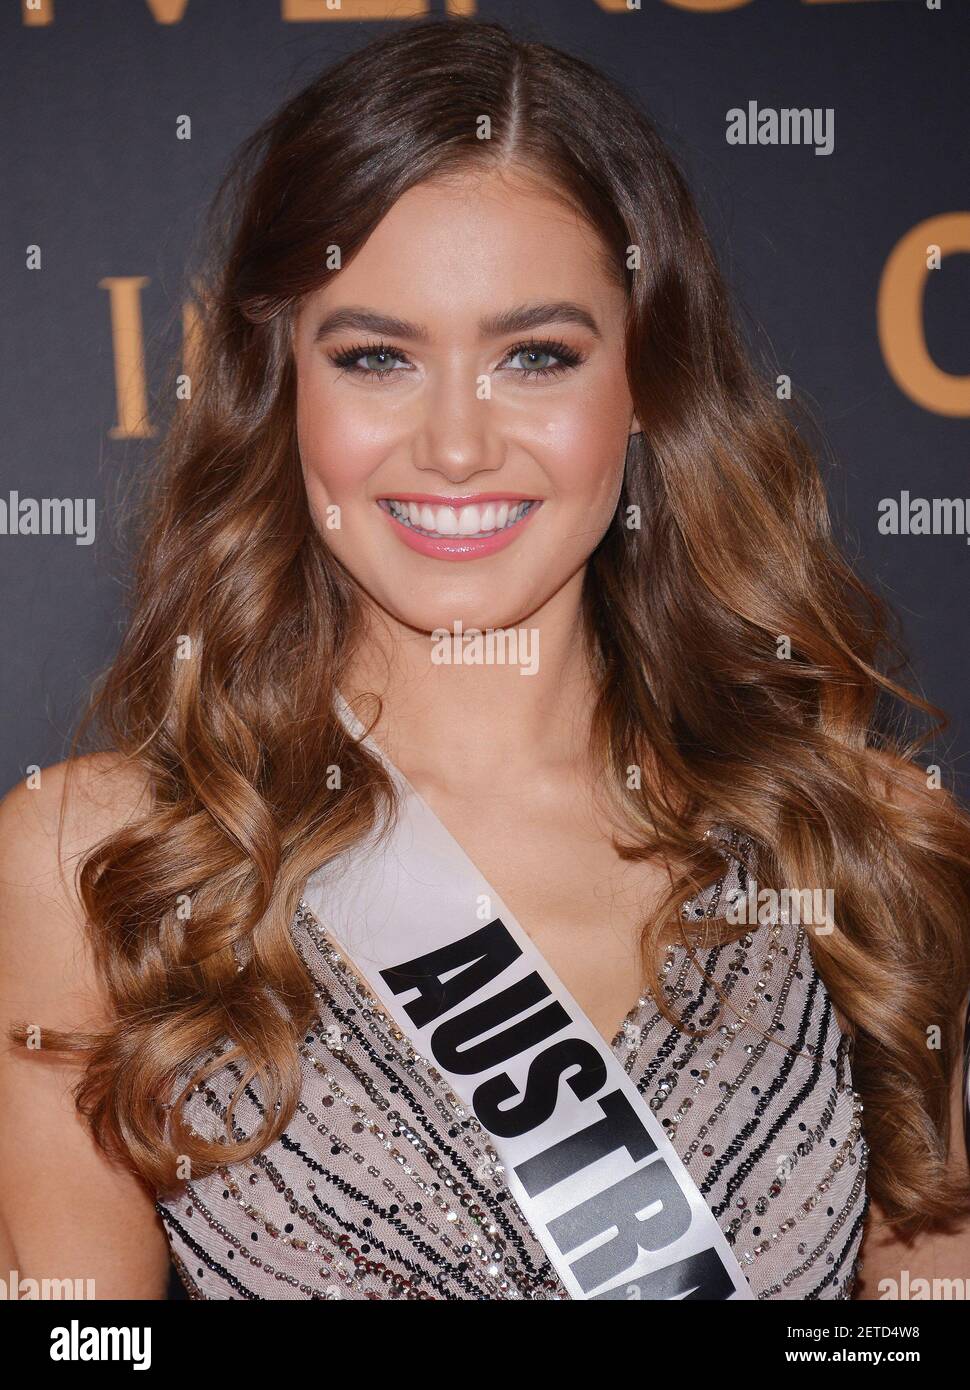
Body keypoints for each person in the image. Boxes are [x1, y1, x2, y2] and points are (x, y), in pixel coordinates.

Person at [1, 17, 968, 1303]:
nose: (456, 446)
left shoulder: (861, 843)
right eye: (376, 357)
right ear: (280, 385)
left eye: (535, 356)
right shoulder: (97, 867)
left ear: (645, 386)